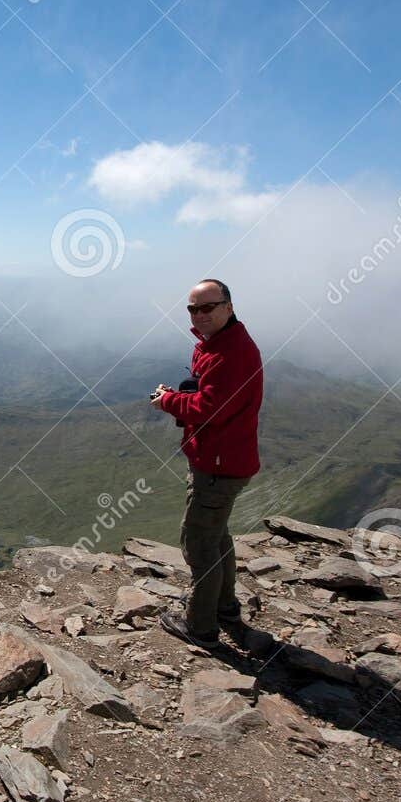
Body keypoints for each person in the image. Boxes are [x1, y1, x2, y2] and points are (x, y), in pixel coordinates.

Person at [148, 278, 263, 650]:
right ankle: (225, 608)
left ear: (228, 306)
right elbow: (206, 394)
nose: (199, 316)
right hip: (222, 459)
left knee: (198, 543)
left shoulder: (233, 353)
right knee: (217, 536)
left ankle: (200, 627)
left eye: (207, 307)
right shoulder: (219, 345)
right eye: (193, 309)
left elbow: (209, 409)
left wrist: (167, 401)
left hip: (217, 465)